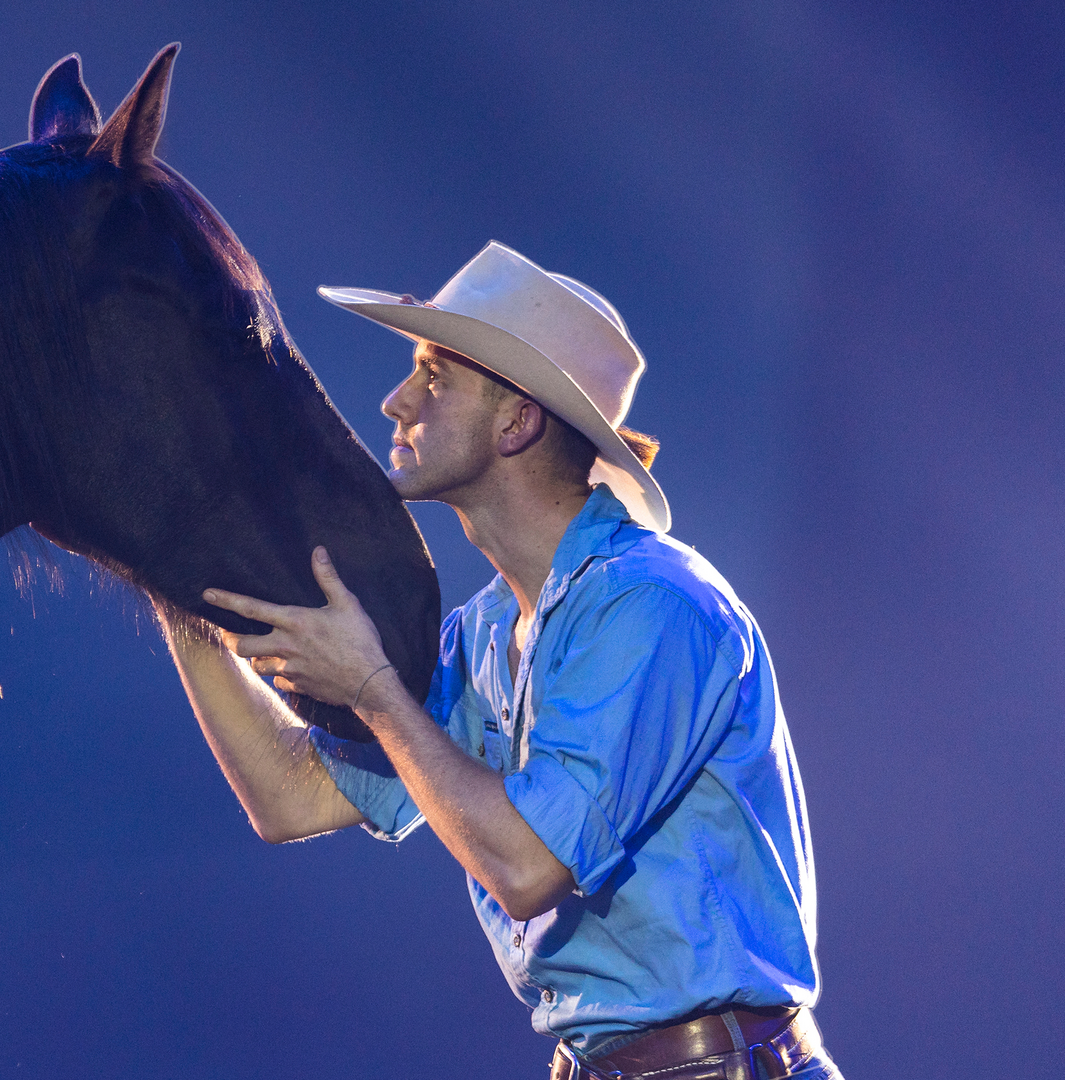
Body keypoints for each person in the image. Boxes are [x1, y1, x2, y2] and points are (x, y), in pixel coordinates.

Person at [156, 242, 842, 1080]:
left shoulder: (653, 606)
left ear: (518, 421)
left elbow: (527, 866)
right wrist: (167, 568)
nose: (395, 401)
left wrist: (372, 690)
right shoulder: (485, 630)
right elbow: (288, 798)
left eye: (434, 377)